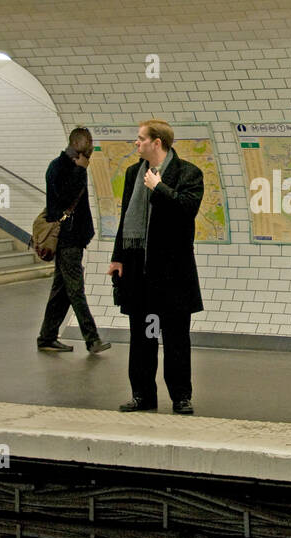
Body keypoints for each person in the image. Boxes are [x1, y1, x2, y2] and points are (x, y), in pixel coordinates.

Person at [109, 120, 204, 415]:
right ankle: (142, 394)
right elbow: (126, 218)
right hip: (141, 272)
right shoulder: (132, 174)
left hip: (173, 273)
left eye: (140, 139)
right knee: (142, 337)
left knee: (176, 337)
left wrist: (159, 188)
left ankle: (180, 396)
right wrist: (117, 257)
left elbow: (186, 211)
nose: (136, 144)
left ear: (157, 143)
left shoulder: (188, 173)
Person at [36, 128, 111, 355]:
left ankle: (47, 337)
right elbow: (63, 198)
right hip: (67, 238)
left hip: (74, 238)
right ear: (78, 144)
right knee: (75, 290)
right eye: (89, 145)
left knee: (61, 289)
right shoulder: (61, 167)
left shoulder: (71, 166)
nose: (91, 150)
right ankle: (92, 339)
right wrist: (80, 171)